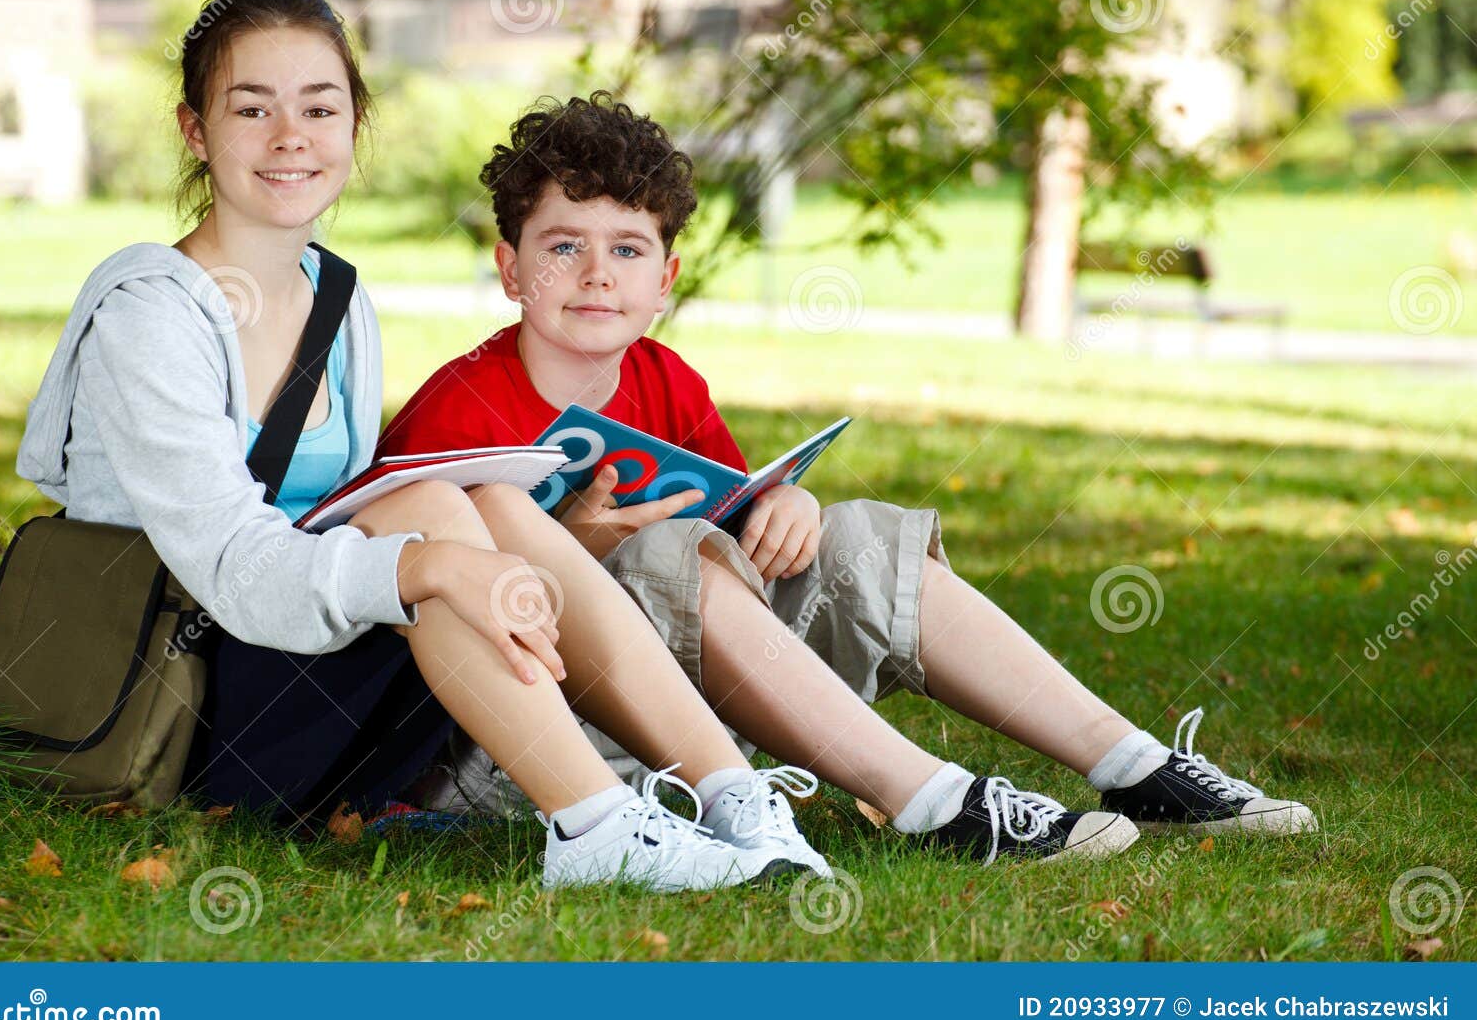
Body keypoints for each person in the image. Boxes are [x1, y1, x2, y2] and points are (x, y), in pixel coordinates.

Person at [13, 0, 829, 893]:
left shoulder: (340, 298)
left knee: (487, 504)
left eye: (320, 108)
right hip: (181, 698)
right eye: (252, 108)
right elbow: (238, 575)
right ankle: (598, 820)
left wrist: (446, 551)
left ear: (353, 131)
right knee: (441, 511)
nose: (291, 136)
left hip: (320, 686)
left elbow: (351, 516)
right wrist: (426, 564)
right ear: (196, 131)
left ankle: (730, 797)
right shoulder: (149, 318)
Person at [379, 91, 1317, 864]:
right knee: (664, 552)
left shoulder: (668, 380)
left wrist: (783, 509)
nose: (596, 274)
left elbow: (726, 552)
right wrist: (574, 551)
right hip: (522, 748)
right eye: (562, 246)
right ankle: (941, 805)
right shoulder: (457, 408)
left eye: (626, 249)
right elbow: (405, 616)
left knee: (852, 530)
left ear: (665, 279)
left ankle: (1138, 766)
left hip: (690, 720)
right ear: (510, 268)